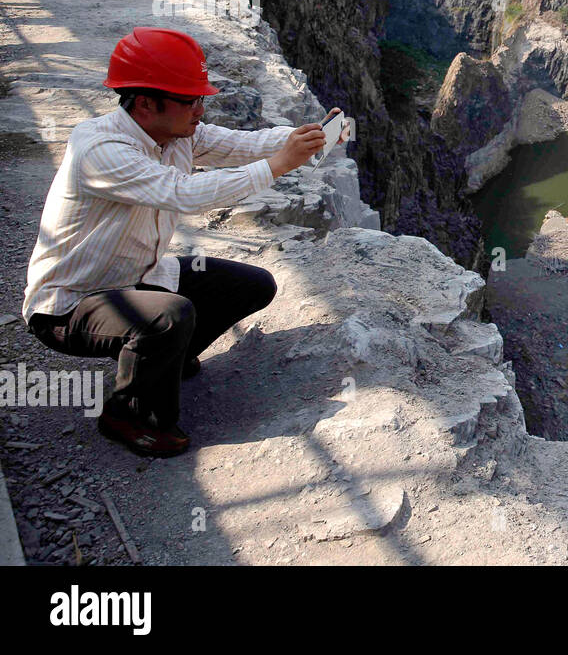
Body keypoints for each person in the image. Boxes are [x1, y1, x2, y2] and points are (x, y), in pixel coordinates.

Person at [22, 27, 349, 457]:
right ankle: (130, 413)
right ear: (144, 103)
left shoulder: (174, 132)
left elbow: (240, 145)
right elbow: (185, 194)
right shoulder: (101, 150)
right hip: (71, 304)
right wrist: (278, 165)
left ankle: (162, 364)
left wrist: (304, 139)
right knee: (170, 317)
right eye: (190, 100)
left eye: (200, 99)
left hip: (134, 279)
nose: (200, 109)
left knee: (254, 285)